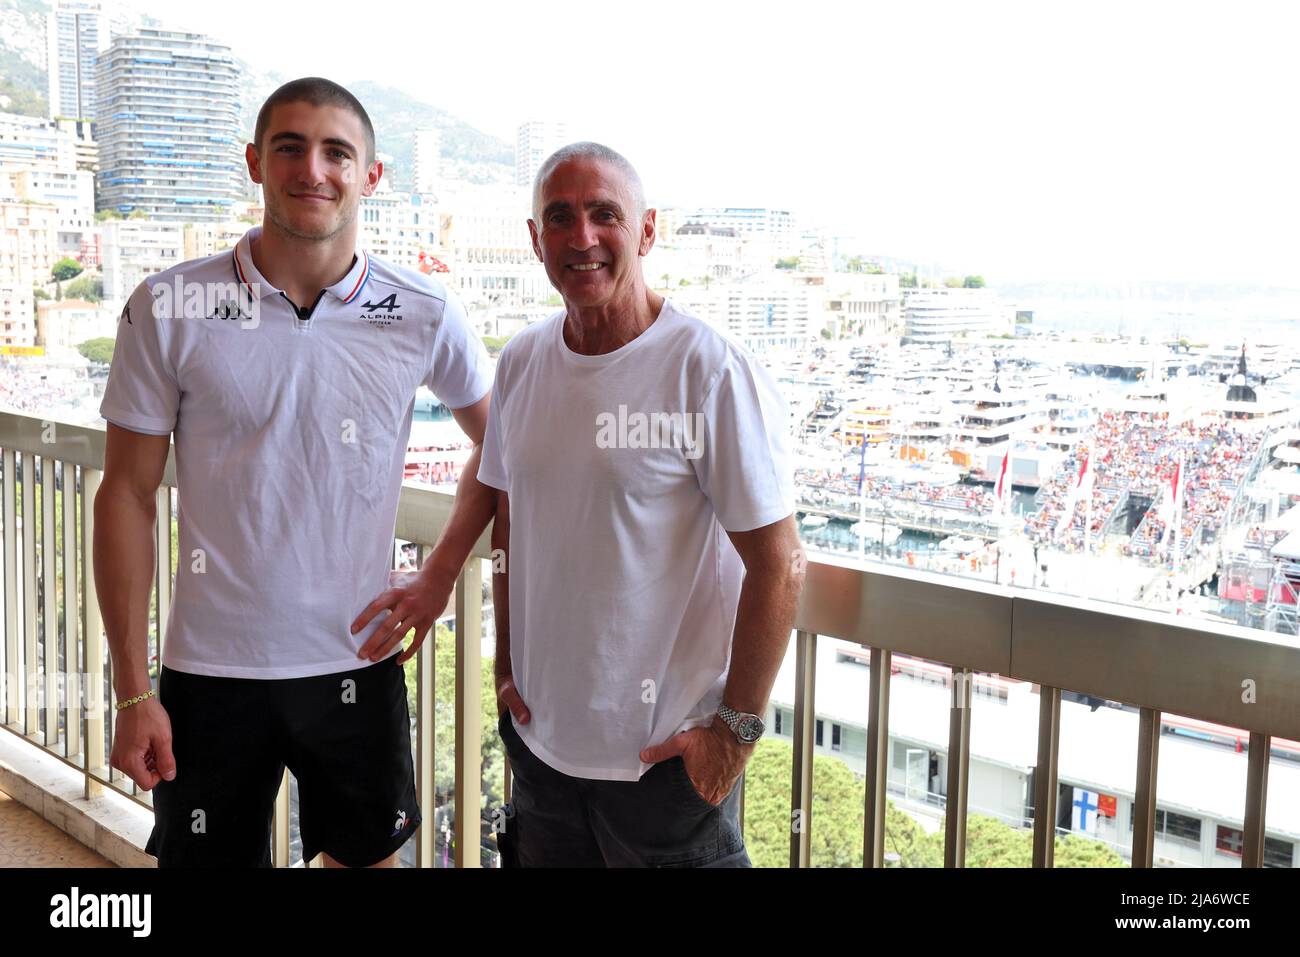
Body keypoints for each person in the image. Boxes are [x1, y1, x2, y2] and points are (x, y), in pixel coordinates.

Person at [94, 77, 495, 867]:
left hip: (356, 660)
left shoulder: (422, 311)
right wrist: (134, 690)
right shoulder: (168, 305)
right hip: (210, 670)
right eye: (290, 147)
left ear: (370, 176)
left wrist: (440, 571)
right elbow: (126, 494)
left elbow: (505, 449)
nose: (313, 169)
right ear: (255, 162)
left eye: (337, 152)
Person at [479, 142, 804, 867]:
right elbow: (510, 518)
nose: (582, 237)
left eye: (605, 215)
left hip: (662, 769)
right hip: (540, 757)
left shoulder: (707, 368)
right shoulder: (522, 362)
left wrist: (734, 734)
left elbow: (779, 566)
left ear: (647, 231)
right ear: (535, 239)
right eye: (559, 217)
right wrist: (506, 661)